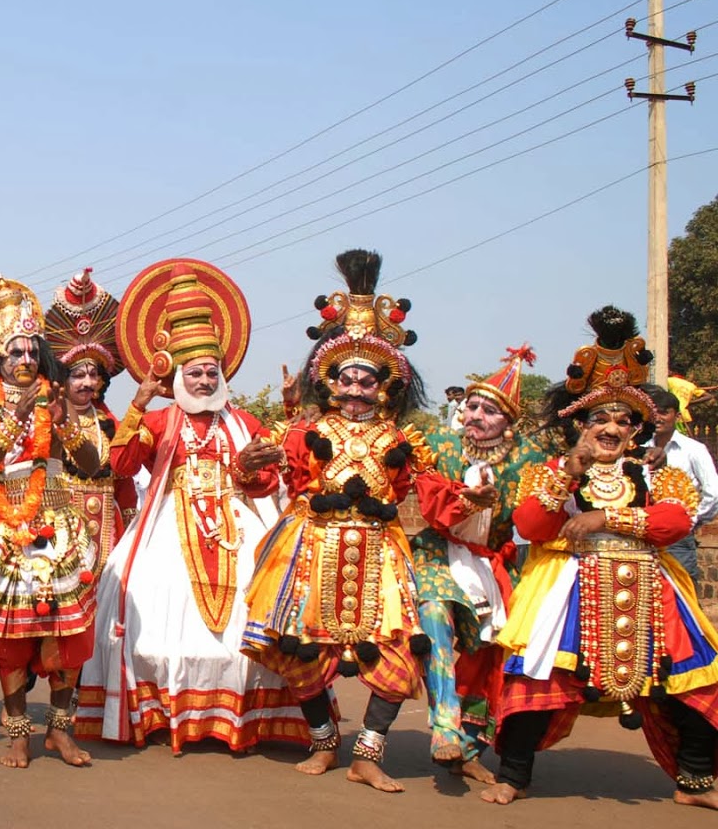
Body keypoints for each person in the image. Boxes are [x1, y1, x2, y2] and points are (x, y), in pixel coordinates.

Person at [242, 249, 466, 793]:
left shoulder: (402, 438)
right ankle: (324, 742)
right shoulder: (300, 430)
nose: (357, 388)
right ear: (330, 381)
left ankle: (369, 751)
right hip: (310, 547)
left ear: (385, 385)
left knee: (398, 651)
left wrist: (470, 499)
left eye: (368, 380)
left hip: (380, 552)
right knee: (297, 648)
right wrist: (248, 465)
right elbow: (266, 478)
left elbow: (435, 494)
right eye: (347, 378)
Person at [486, 308, 718, 810]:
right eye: (600, 418)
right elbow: (531, 526)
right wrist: (569, 475)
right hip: (571, 585)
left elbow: (676, 522)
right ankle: (513, 776)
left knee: (694, 679)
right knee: (538, 679)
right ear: (581, 425)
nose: (611, 427)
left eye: (623, 420)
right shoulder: (555, 469)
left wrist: (606, 520)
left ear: (636, 430)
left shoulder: (657, 473)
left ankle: (695, 783)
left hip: (651, 584)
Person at [77, 259, 308, 751]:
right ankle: (163, 713)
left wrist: (251, 466)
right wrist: (138, 403)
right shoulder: (161, 420)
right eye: (195, 372)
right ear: (177, 374)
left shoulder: (245, 421)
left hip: (238, 527)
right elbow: (120, 463)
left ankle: (237, 718)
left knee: (250, 624)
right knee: (151, 623)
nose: (205, 380)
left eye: (212, 372)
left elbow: (268, 483)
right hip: (168, 527)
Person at [0, 277, 100, 769]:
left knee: (64, 634)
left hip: (60, 522)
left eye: (31, 352)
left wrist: (61, 423)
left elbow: (89, 464)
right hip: (8, 527)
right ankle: (18, 733)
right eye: (13, 353)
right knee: (15, 638)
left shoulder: (58, 401)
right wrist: (16, 419)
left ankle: (61, 731)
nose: (24, 361)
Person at [409, 346, 547, 781]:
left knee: (485, 652)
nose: (475, 416)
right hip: (438, 550)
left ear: (509, 423)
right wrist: (465, 501)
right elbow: (431, 501)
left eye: (489, 411)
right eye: (471, 406)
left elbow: (535, 516)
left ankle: (469, 747)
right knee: (433, 617)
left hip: (492, 562)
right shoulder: (440, 445)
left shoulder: (530, 459)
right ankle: (444, 727)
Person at [42, 268, 136, 572]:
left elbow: (125, 483)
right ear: (62, 379)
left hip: (108, 532)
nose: (87, 382)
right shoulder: (46, 419)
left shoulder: (109, 423)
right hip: (58, 533)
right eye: (78, 375)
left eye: (94, 374)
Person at [644, 384, 718, 579]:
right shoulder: (639, 447)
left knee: (682, 592)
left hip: (677, 535)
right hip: (643, 532)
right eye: (653, 413)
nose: (658, 418)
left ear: (676, 416)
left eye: (663, 413)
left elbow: (713, 491)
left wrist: (693, 520)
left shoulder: (693, 449)